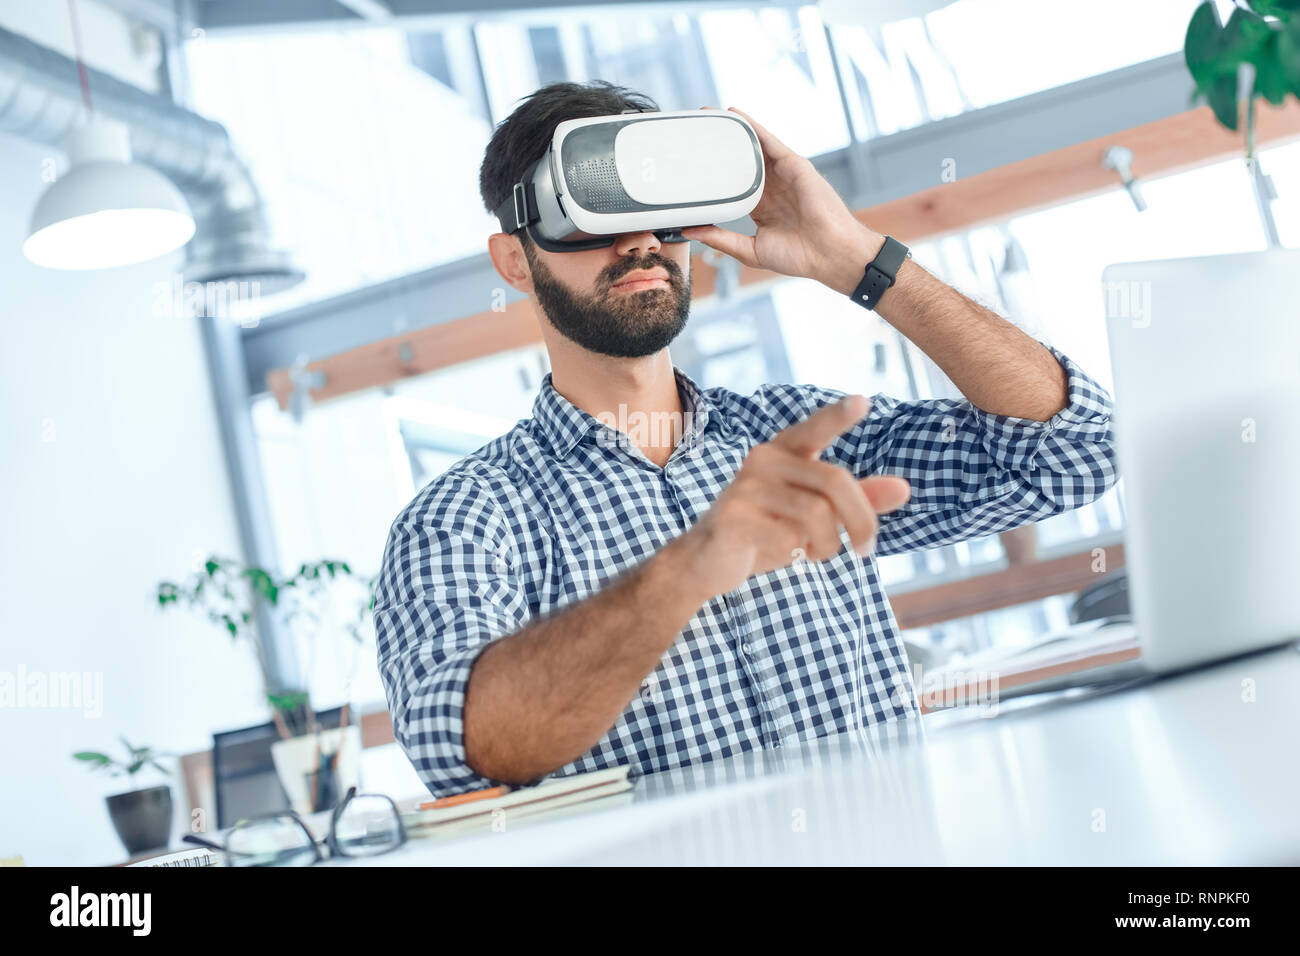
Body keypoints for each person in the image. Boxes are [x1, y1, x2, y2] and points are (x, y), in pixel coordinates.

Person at [374, 81, 1117, 797]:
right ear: (515, 261)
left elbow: (1076, 450)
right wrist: (691, 566)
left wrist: (857, 257)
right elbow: (464, 753)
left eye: (656, 211)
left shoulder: (797, 438)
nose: (637, 241)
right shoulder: (465, 520)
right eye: (592, 216)